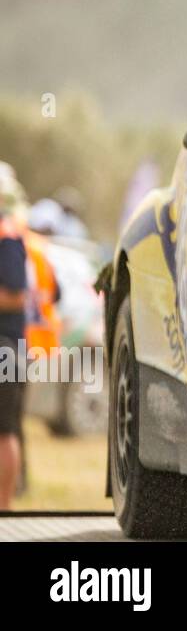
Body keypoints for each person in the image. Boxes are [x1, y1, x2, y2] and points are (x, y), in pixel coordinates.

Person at [0, 169, 29, 510]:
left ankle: (4, 510)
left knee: (4, 431)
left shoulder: (7, 237)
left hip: (6, 347)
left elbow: (16, 294)